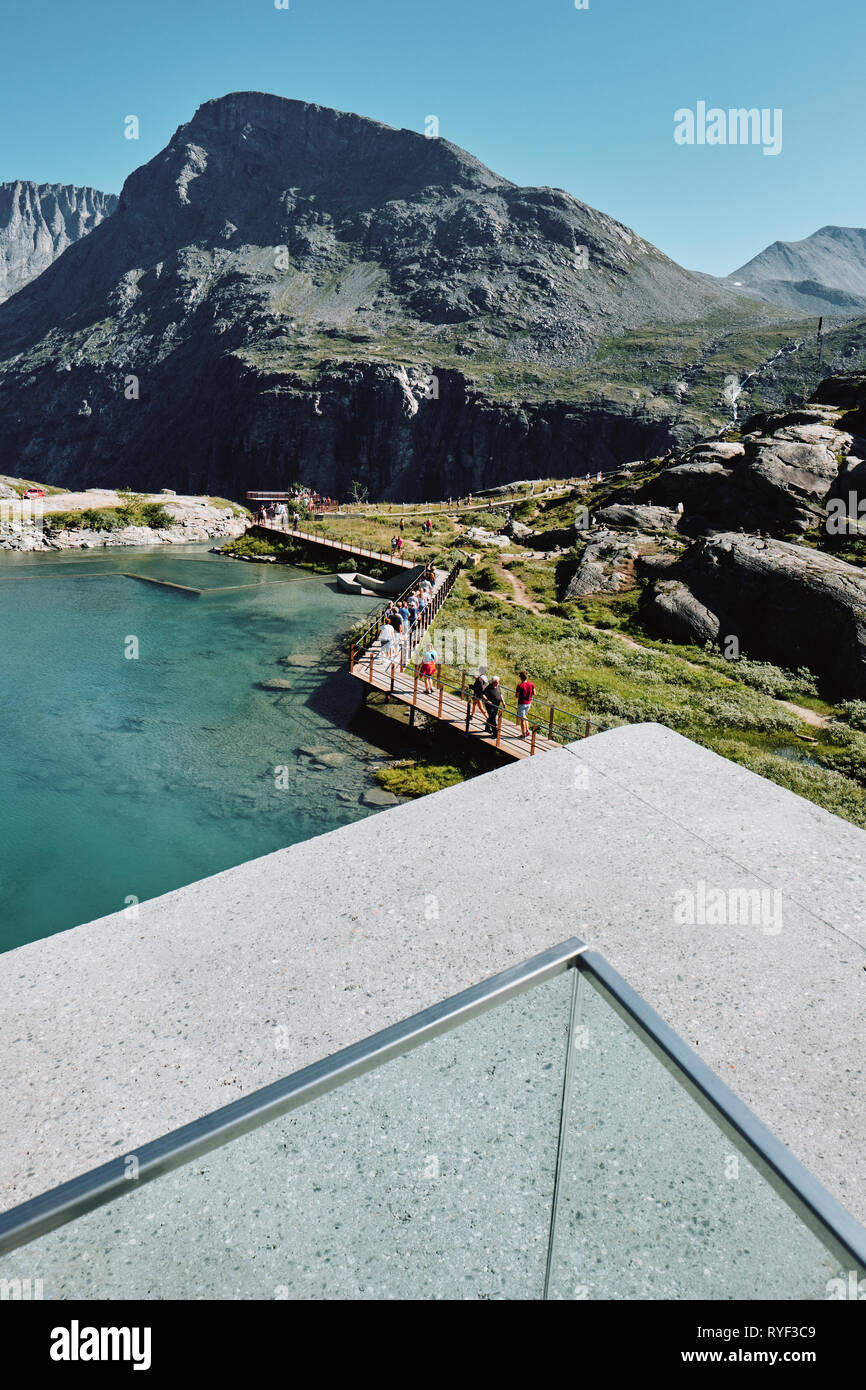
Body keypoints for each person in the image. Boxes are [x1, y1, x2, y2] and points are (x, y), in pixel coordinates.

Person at [515, 669, 536, 738]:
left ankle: (523, 734)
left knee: (522, 719)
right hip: (528, 703)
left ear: (521, 677)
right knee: (524, 717)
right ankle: (527, 731)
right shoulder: (531, 684)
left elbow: (516, 696)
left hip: (522, 703)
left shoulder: (520, 685)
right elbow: (534, 693)